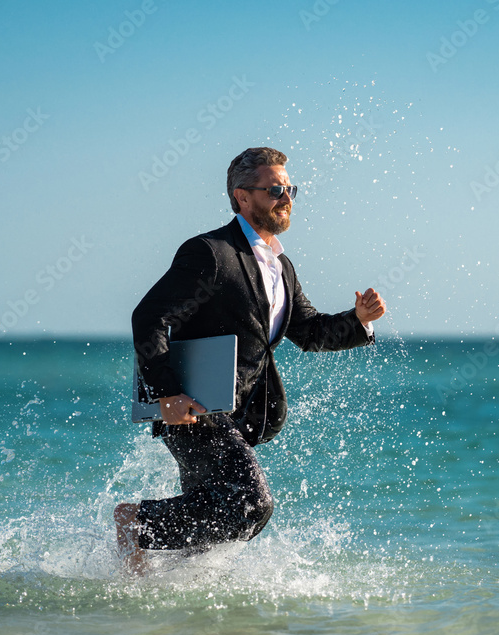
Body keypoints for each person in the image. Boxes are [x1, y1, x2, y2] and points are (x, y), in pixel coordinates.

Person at [116, 147, 386, 574]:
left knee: (211, 526)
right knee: (249, 502)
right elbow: (149, 318)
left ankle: (174, 596)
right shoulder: (211, 252)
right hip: (194, 410)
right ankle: (135, 524)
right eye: (275, 189)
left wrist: (360, 321)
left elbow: (310, 332)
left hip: (239, 415)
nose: (286, 197)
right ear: (242, 197)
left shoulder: (282, 267)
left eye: (289, 188)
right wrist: (168, 394)